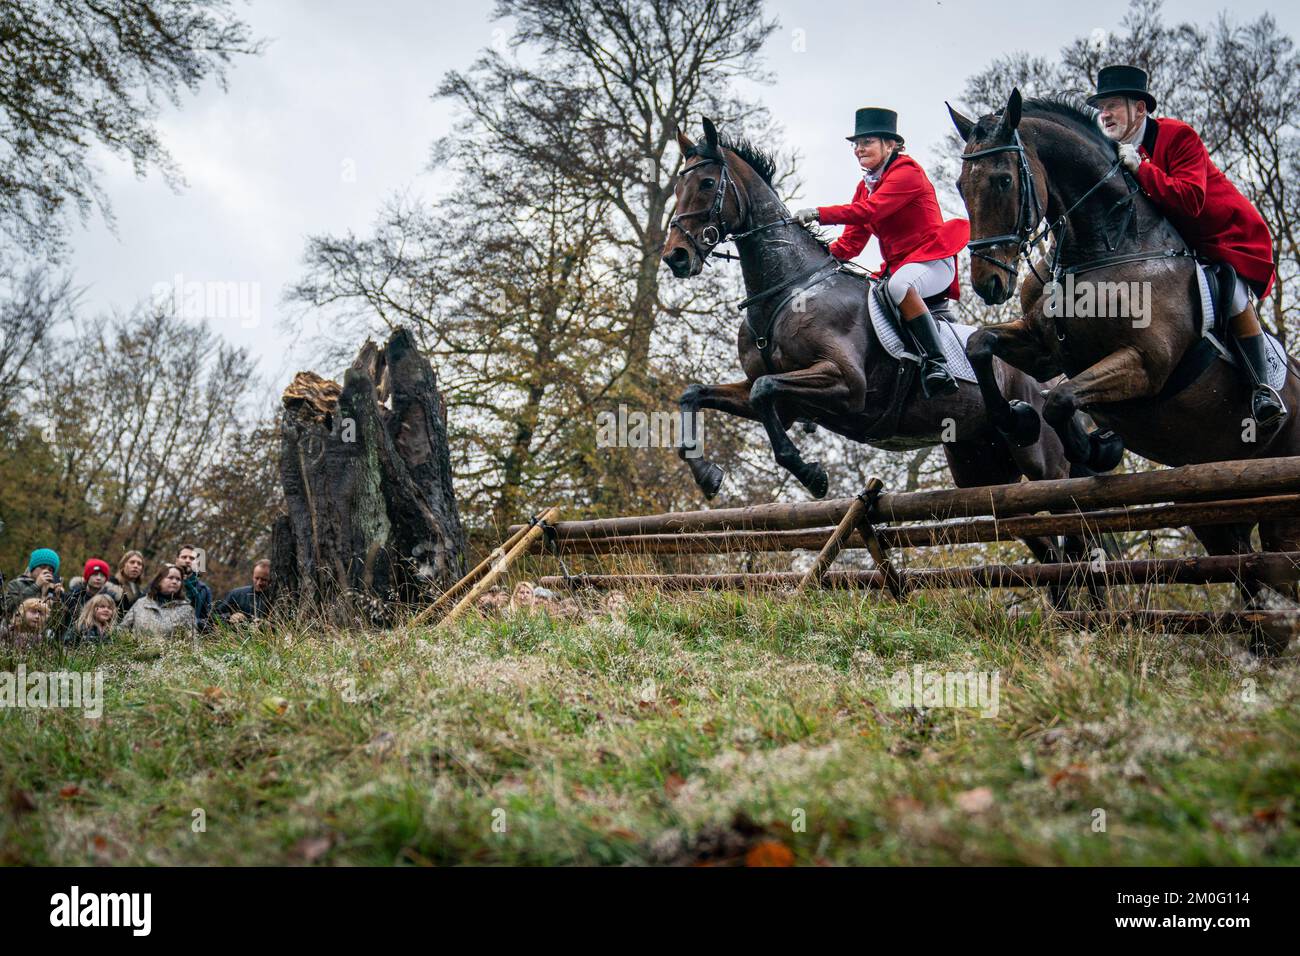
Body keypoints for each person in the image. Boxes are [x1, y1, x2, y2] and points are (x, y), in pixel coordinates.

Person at [1090, 64, 1283, 427]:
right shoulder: (1108, 151)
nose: (1105, 113)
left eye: (1113, 104)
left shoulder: (1178, 137)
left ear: (1140, 109)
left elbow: (1192, 199)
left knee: (1229, 286)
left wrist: (1141, 169)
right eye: (1102, 106)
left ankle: (1262, 390)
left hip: (1227, 238)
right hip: (1174, 243)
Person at [795, 107, 970, 396]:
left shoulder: (908, 172)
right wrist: (809, 261)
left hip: (932, 262)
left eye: (867, 142)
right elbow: (851, 244)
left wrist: (818, 213)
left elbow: (872, 211)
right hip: (896, 270)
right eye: (856, 144)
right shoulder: (864, 187)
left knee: (900, 286)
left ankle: (938, 364)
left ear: (890, 144)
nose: (859, 149)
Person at [118, 564, 196, 639]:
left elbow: (193, 642)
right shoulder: (141, 603)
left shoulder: (186, 609)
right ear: (159, 580)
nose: (175, 581)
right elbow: (122, 630)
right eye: (170, 577)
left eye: (178, 579)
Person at [3, 548, 65, 625]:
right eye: (42, 567)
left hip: (40, 635)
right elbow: (10, 607)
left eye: (50, 569)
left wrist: (57, 599)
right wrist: (36, 586)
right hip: (16, 631)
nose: (46, 571)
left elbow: (56, 624)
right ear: (33, 568)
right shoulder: (16, 584)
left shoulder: (51, 590)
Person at [215, 559, 274, 625]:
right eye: (256, 578)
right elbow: (215, 615)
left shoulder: (276, 598)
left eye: (264, 580)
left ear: (271, 579)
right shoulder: (236, 594)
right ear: (252, 576)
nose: (258, 583)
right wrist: (230, 617)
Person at [175, 543, 212, 630]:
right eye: (184, 557)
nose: (188, 561)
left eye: (192, 558)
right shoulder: (161, 582)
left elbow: (207, 620)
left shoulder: (204, 590)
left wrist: (191, 622)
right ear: (177, 560)